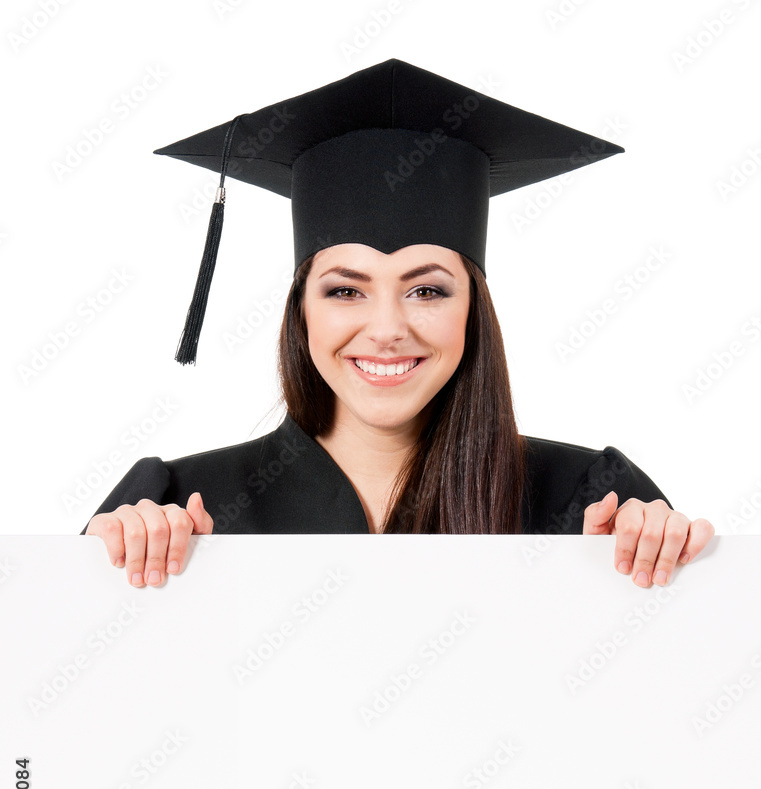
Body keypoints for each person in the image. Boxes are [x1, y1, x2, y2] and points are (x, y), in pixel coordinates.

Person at [81, 58, 715, 587]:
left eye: (427, 290)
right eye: (345, 291)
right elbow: (46, 726)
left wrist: (669, 572)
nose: (386, 328)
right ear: (302, 310)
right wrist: (100, 570)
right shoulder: (182, 507)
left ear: (475, 308)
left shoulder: (587, 505)